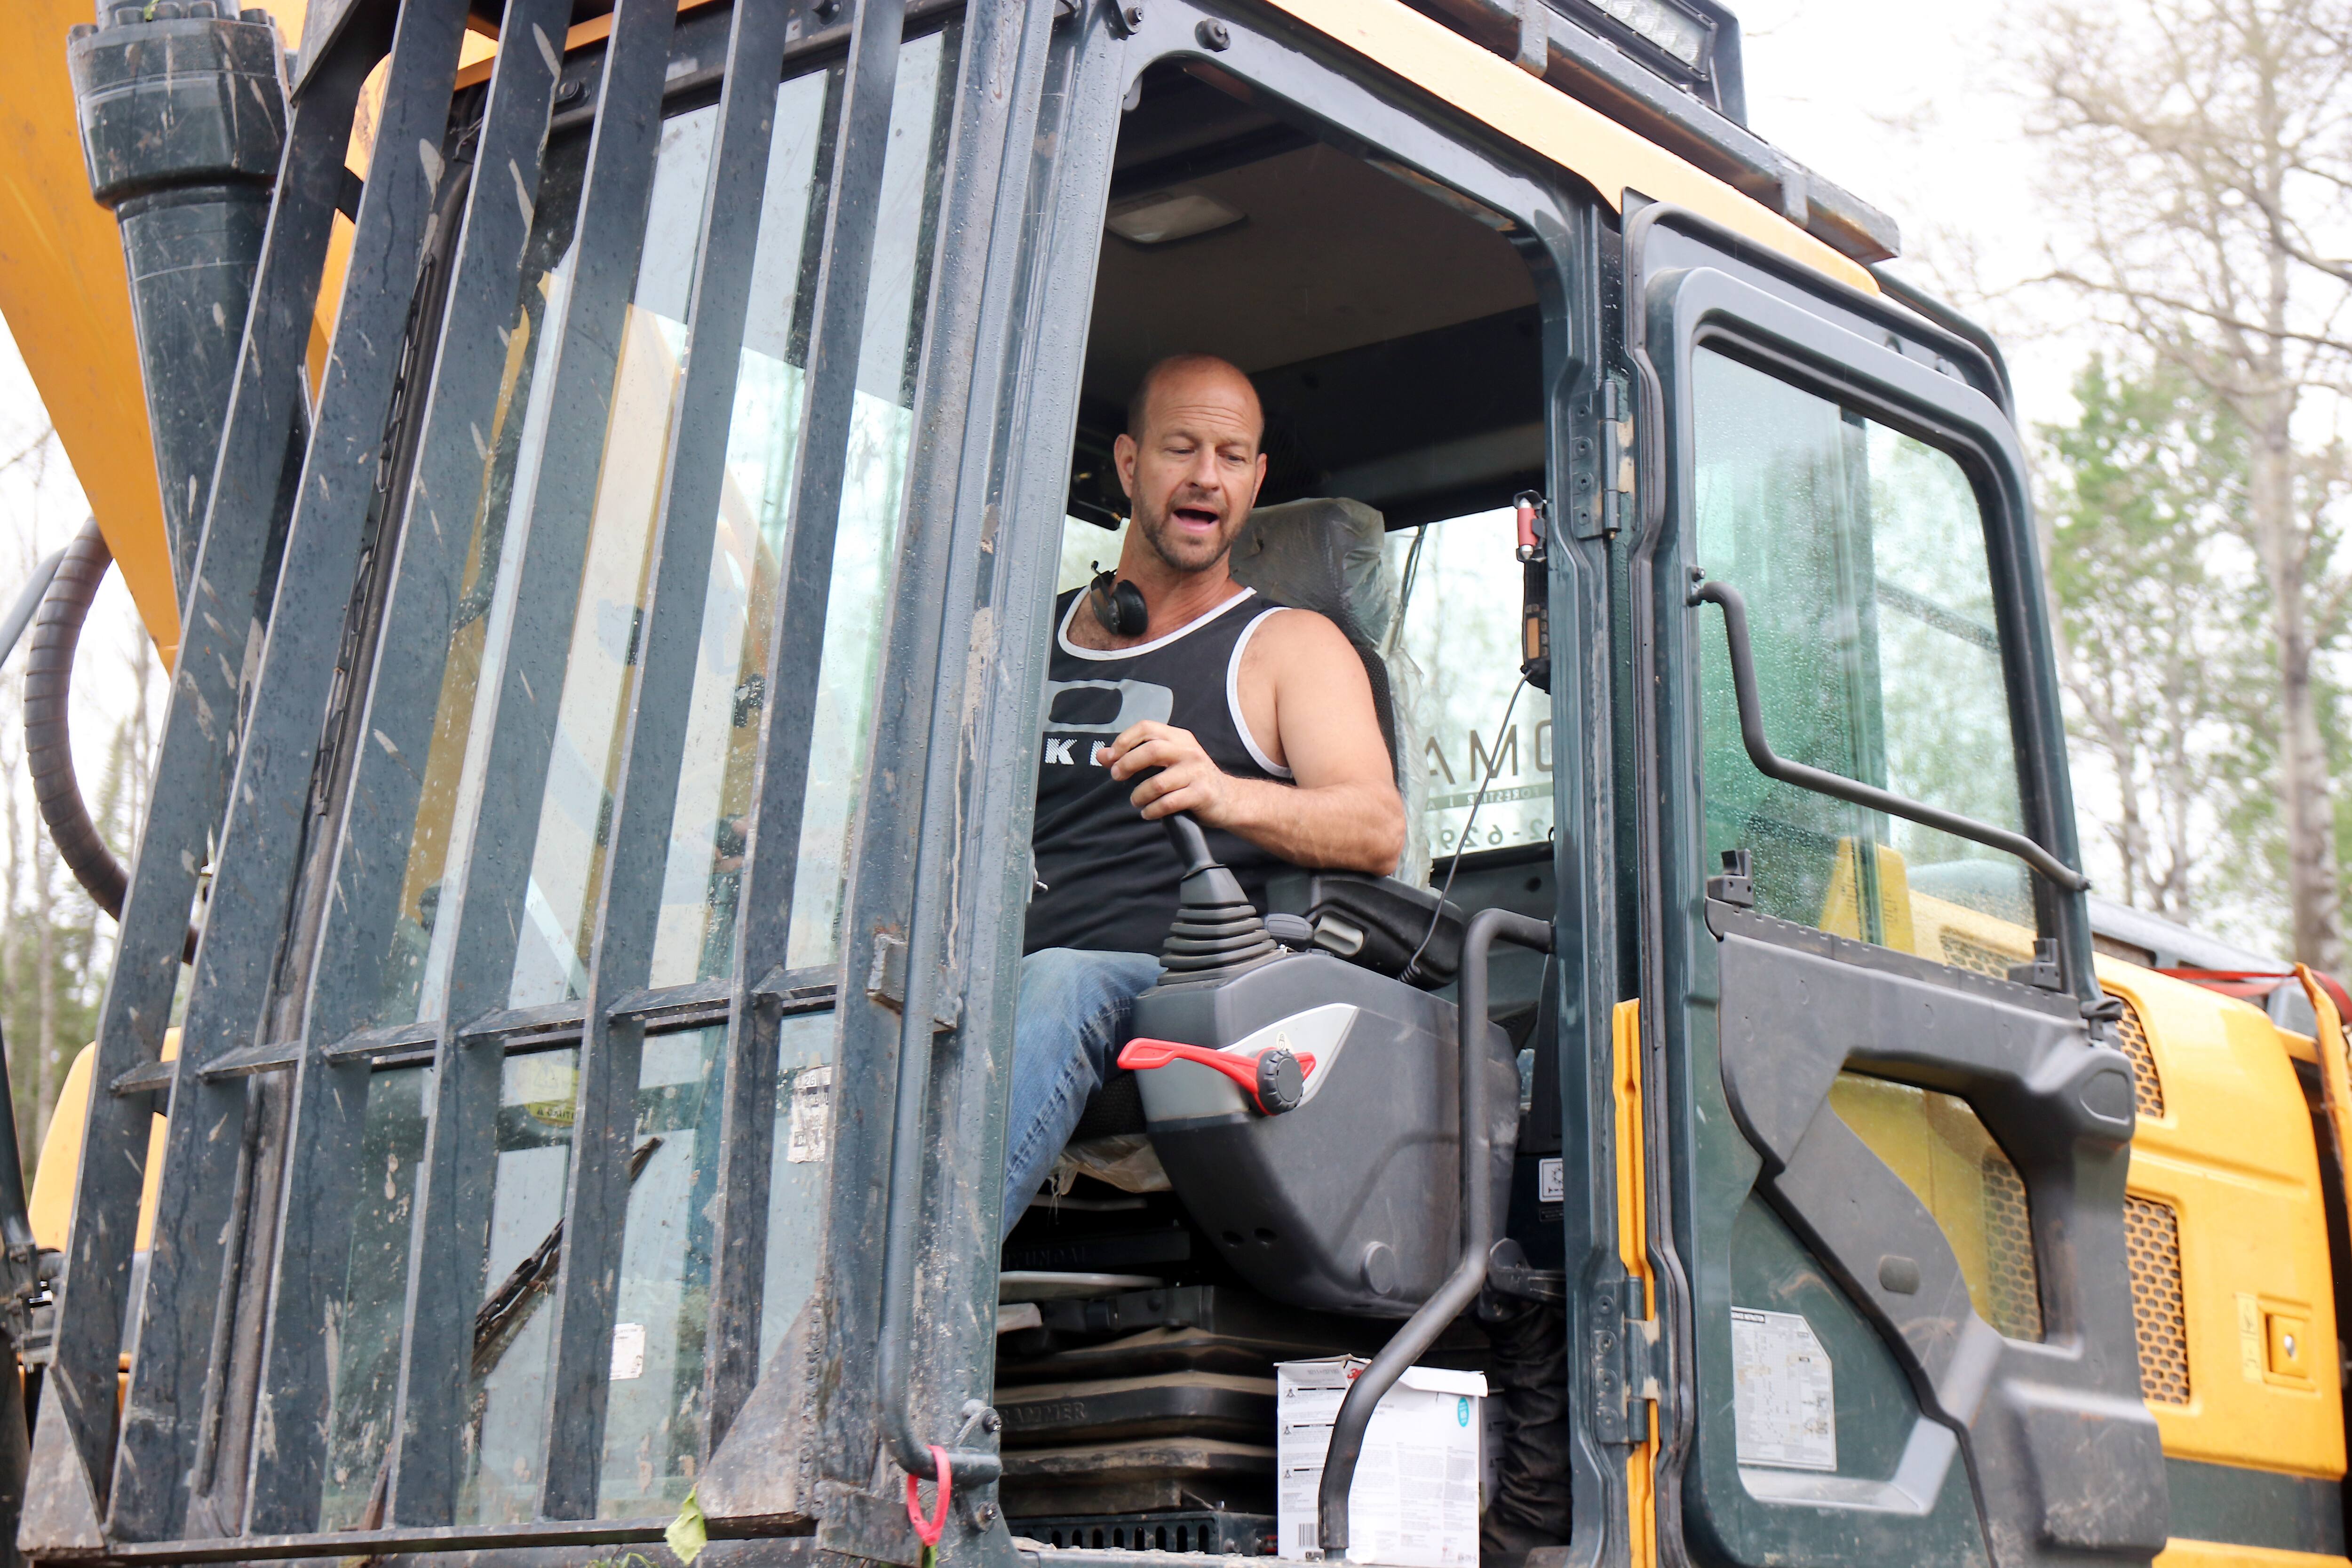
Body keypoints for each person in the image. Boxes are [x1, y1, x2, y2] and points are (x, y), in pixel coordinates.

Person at [1005, 352, 1405, 1235]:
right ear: (1128, 464)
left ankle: (902, 1293)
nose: (1205, 477)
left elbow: (1377, 827)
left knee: (1061, 982)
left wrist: (1224, 793)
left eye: (1230, 457)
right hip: (1003, 987)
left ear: (1256, 481)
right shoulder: (1023, 637)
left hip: (1178, 993)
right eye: (1181, 448)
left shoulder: (1290, 646)